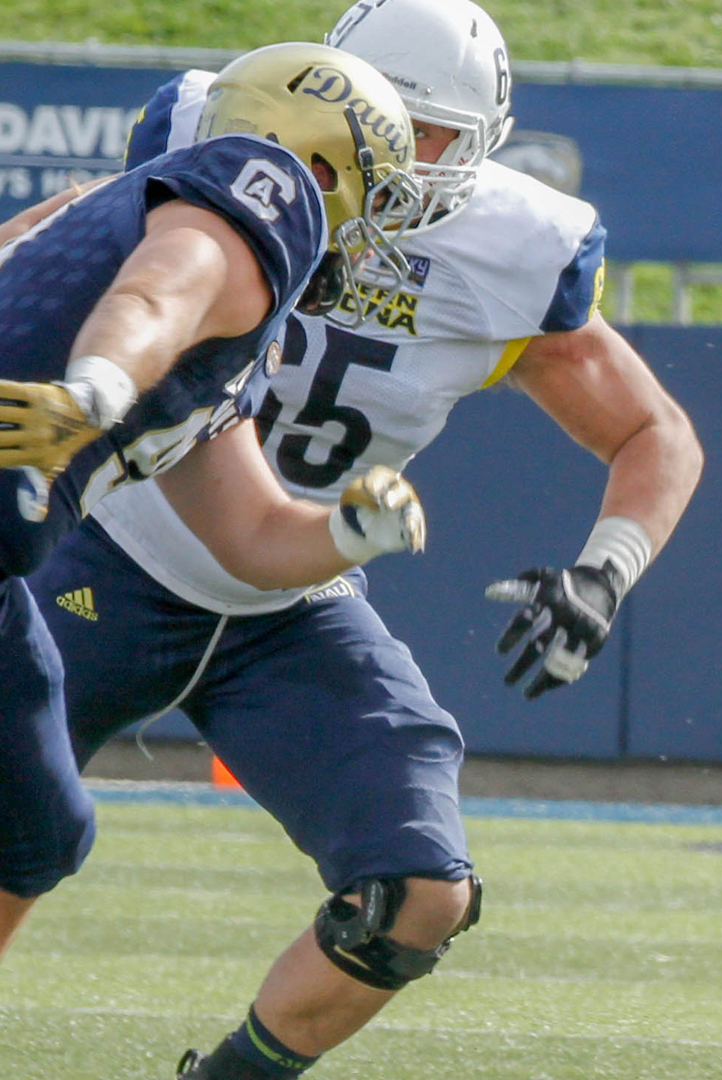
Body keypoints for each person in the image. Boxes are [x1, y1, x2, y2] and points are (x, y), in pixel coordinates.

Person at [28, 1, 705, 1076]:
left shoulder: (512, 254)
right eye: (390, 121)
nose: (403, 161)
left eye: (435, 139)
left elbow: (652, 430)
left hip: (289, 586)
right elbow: (88, 239)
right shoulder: (227, 143)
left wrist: (602, 575)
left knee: (418, 894)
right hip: (116, 542)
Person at [0, 42, 427, 962]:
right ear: (321, 160)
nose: (374, 232)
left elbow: (251, 535)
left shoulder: (209, 327)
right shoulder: (261, 188)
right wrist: (99, 389)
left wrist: (353, 531)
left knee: (41, 830)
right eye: (377, 193)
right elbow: (167, 285)